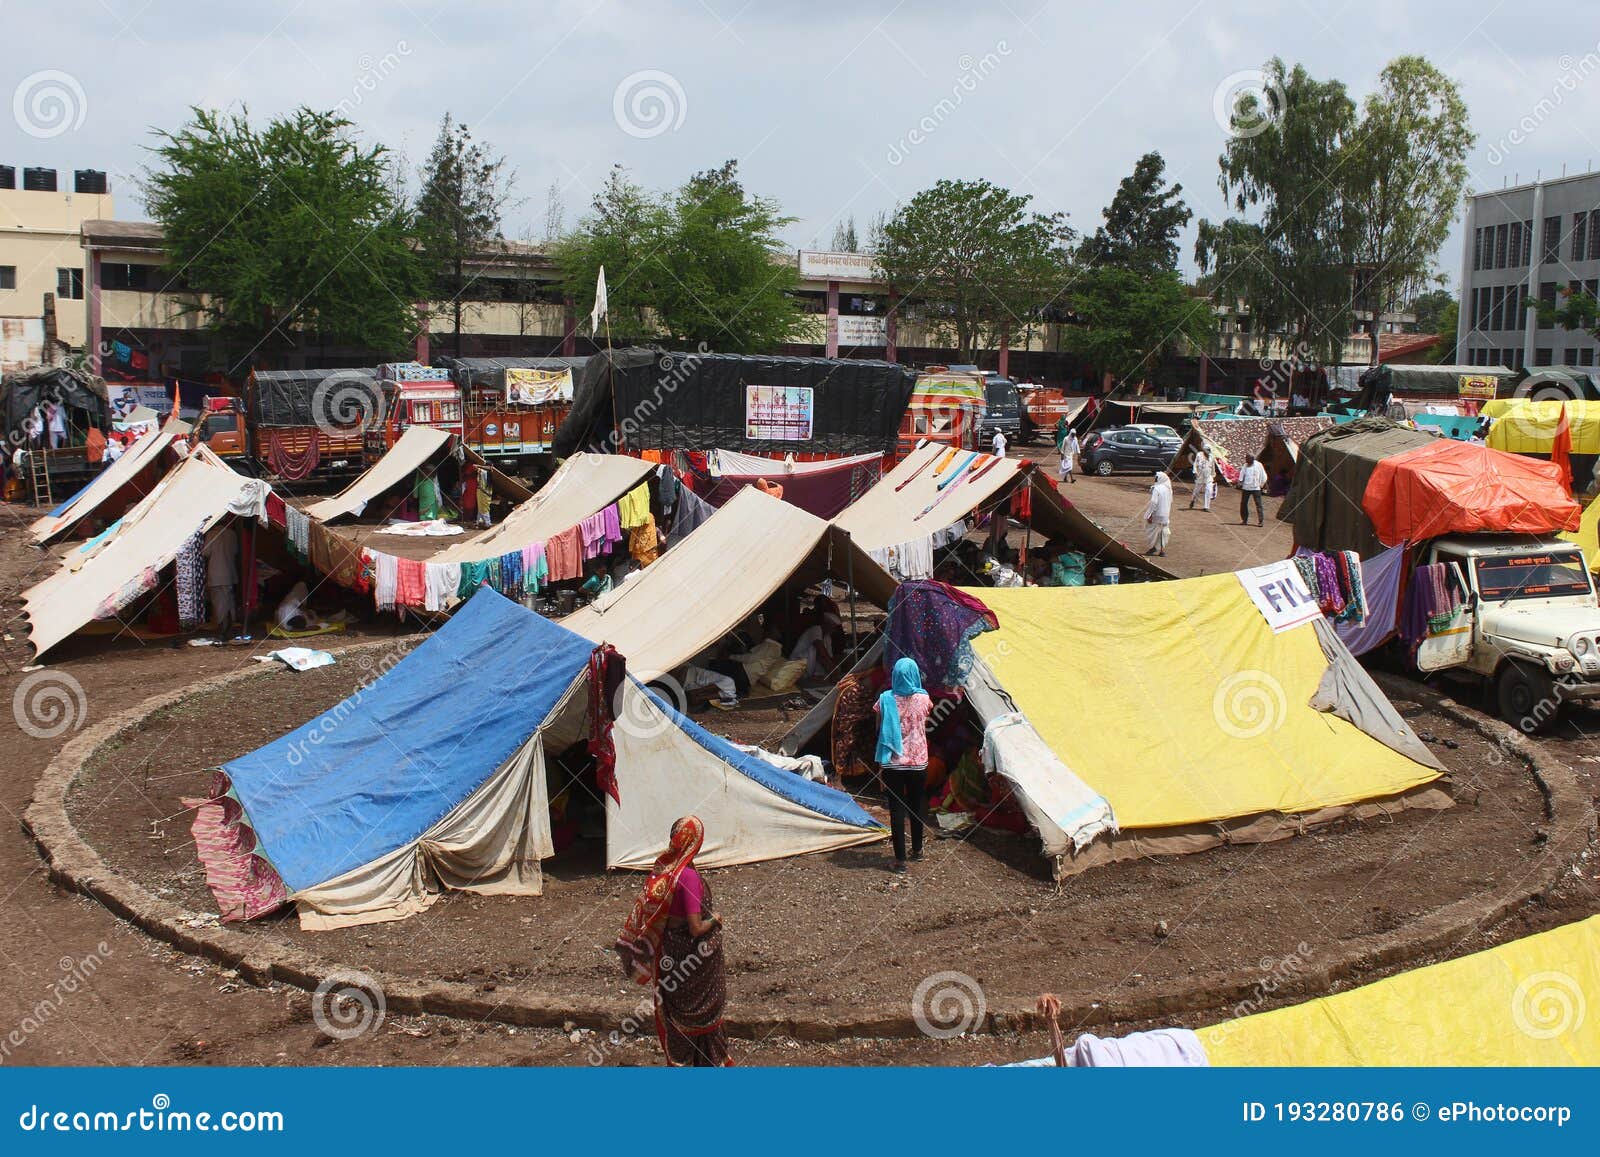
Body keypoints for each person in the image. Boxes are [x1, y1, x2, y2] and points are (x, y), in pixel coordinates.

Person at [613, 816, 731, 1067]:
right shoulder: (687, 878)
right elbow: (696, 927)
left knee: (676, 1016)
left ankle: (681, 1062)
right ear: (695, 843)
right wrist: (715, 919)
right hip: (693, 961)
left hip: (670, 956)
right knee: (701, 1017)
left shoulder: (664, 874)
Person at [874, 657, 933, 873]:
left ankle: (899, 861)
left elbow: (879, 727)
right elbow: (924, 719)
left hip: (893, 763)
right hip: (918, 762)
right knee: (917, 805)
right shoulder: (924, 699)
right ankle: (917, 850)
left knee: (896, 809)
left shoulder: (885, 699)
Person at [202, 521, 240, 638]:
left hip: (216, 573)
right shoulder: (232, 534)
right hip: (229, 572)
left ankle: (222, 626)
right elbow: (235, 552)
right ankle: (230, 622)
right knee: (229, 600)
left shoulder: (212, 534)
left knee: (218, 602)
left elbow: (206, 552)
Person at [1143, 470, 1173, 556]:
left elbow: (1153, 502)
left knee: (1153, 530)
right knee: (1163, 530)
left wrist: (1150, 514)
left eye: (1156, 478)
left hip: (1157, 513)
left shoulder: (1156, 488)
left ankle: (1154, 547)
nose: (1155, 479)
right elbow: (1170, 501)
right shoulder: (1169, 489)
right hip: (1166, 514)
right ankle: (1161, 550)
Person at [1239, 454, 1267, 526]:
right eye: (1246, 458)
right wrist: (1240, 481)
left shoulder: (1258, 465)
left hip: (1255, 487)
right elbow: (1242, 474)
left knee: (1258, 504)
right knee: (1243, 503)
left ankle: (1261, 521)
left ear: (1252, 459)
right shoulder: (1245, 465)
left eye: (1247, 458)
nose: (1246, 460)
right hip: (1246, 487)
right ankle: (1244, 520)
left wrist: (1262, 484)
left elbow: (1263, 475)